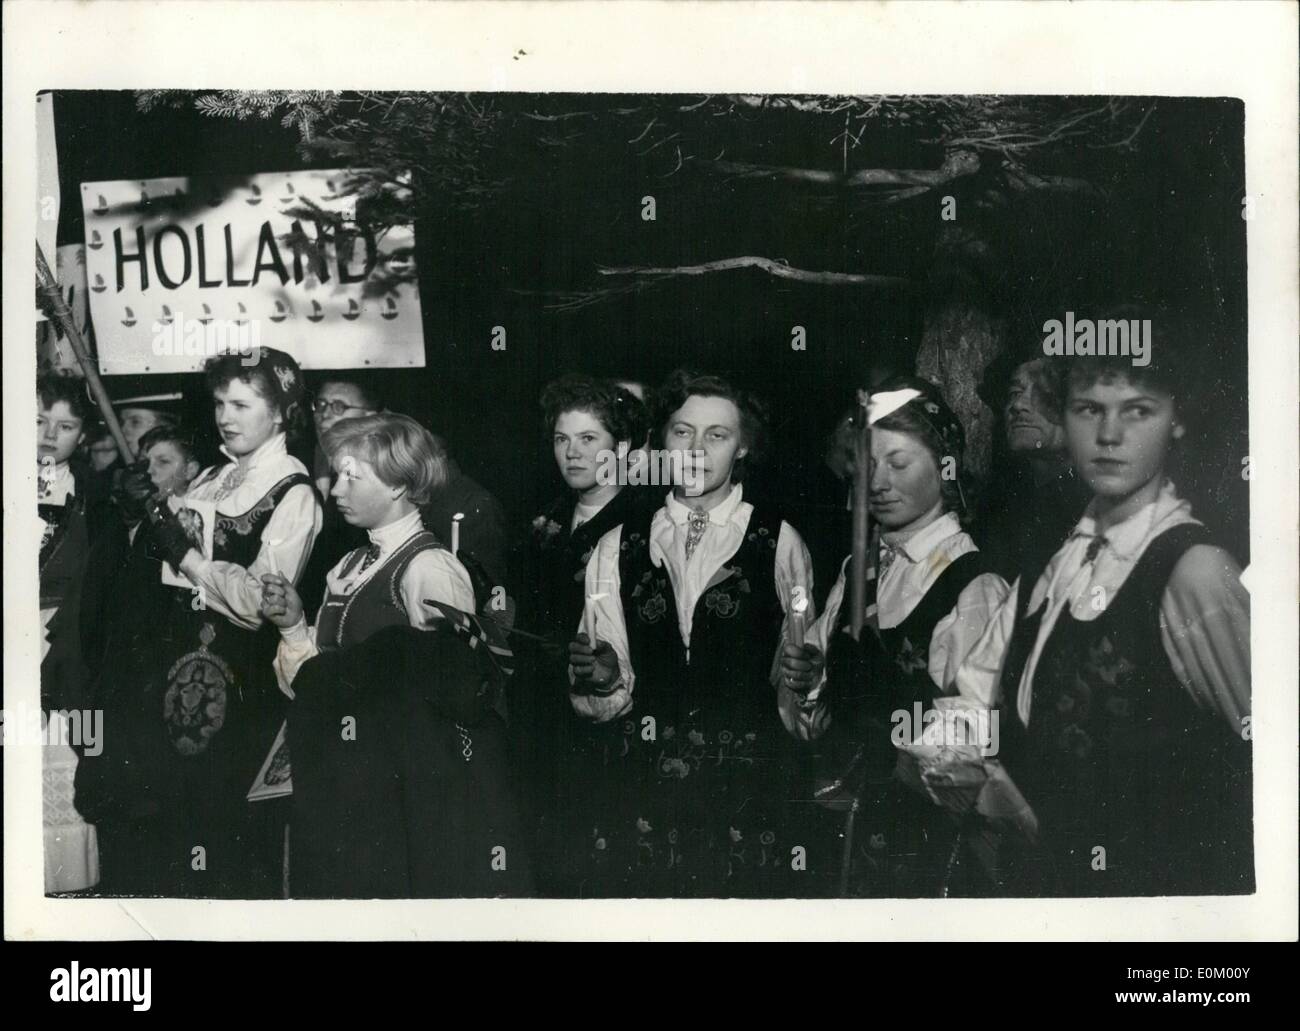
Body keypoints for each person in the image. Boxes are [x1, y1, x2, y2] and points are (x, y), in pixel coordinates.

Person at [951, 328, 1252, 897]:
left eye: (1137, 411)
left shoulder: (1194, 569)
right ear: (1064, 418)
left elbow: (1268, 761)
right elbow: (982, 697)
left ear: (1177, 419)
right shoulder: (1057, 558)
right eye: (1089, 409)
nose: (1109, 435)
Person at [567, 369, 816, 897]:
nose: (697, 449)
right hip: (643, 788)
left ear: (743, 446)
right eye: (683, 432)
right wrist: (606, 674)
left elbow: (797, 671)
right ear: (662, 441)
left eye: (717, 435)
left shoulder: (781, 542)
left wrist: (810, 677)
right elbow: (607, 672)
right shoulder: (618, 544)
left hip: (746, 792)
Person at [261, 413, 529, 897]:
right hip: (349, 782)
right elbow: (315, 682)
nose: (337, 490)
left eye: (352, 476)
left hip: (406, 794)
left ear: (399, 486)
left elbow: (459, 691)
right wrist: (292, 627)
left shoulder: (430, 566)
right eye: (337, 474)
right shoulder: (347, 566)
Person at [778, 376, 1010, 897]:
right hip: (840, 834)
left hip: (921, 852)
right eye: (868, 463)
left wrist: (890, 738)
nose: (877, 482)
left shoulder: (972, 586)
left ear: (945, 468)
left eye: (899, 464)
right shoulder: (855, 570)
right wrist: (814, 681)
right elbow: (804, 721)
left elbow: (974, 753)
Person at [125, 347, 322, 897]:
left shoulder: (293, 491)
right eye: (219, 403)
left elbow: (258, 601)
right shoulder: (213, 477)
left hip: (242, 689)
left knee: (230, 836)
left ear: (281, 412)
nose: (226, 417)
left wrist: (184, 555)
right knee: (177, 827)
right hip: (178, 679)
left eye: (242, 404)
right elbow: (164, 574)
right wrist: (146, 514)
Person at [514, 374, 652, 894]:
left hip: (610, 727)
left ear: (623, 447)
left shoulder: (644, 524)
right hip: (541, 717)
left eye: (588, 439)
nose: (571, 453)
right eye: (561, 439)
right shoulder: (547, 517)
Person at [73, 425, 204, 894]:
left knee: (162, 833)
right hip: (115, 697)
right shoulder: (120, 526)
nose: (148, 472)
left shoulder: (192, 530)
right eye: (143, 462)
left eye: (163, 463)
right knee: (115, 825)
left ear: (191, 472)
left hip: (162, 704)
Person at [37, 373, 99, 893]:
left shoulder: (94, 497)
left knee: (62, 759)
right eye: (38, 420)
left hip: (66, 650)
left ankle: (68, 889)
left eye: (65, 425)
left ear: (83, 434)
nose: (48, 435)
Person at [975, 350, 1089, 580]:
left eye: (1042, 394)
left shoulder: (1096, 506)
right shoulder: (1004, 506)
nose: (1018, 405)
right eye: (1014, 392)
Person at [297, 376, 383, 620]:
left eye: (339, 407)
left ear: (370, 417)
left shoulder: (375, 479)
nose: (324, 414)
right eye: (320, 404)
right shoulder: (305, 463)